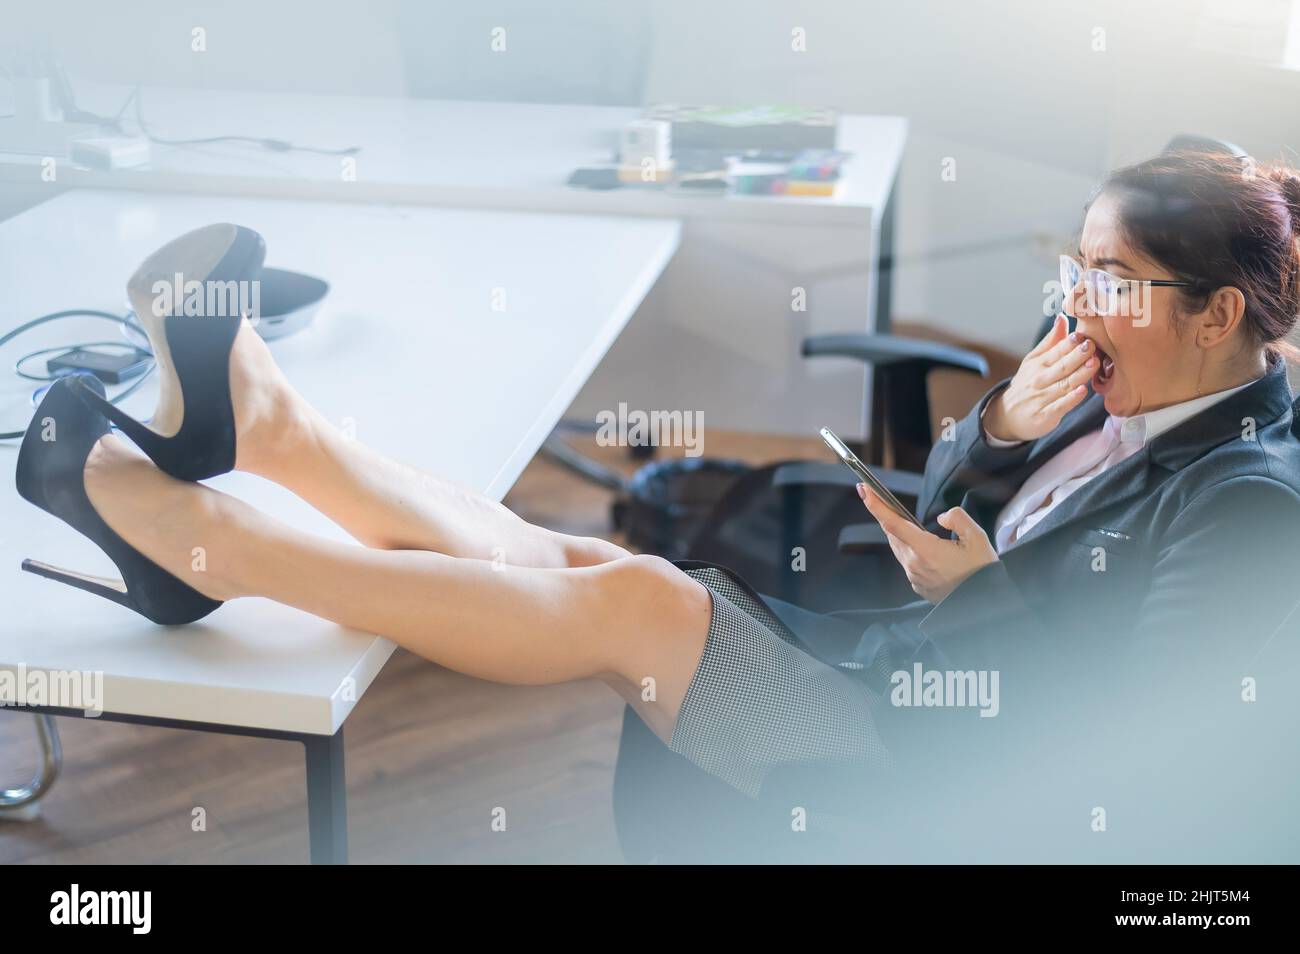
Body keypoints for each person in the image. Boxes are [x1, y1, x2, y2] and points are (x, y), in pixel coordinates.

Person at [17, 150, 1300, 861]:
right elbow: (965, 500)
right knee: (575, 555)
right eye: (1074, 268)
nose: (1075, 305)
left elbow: (1145, 749)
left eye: (1112, 278)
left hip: (935, 761)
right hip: (910, 674)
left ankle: (217, 541)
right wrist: (1007, 423)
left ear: (1218, 313)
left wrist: (984, 598)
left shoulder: (1252, 507)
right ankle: (282, 443)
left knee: (630, 598)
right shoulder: (1119, 384)